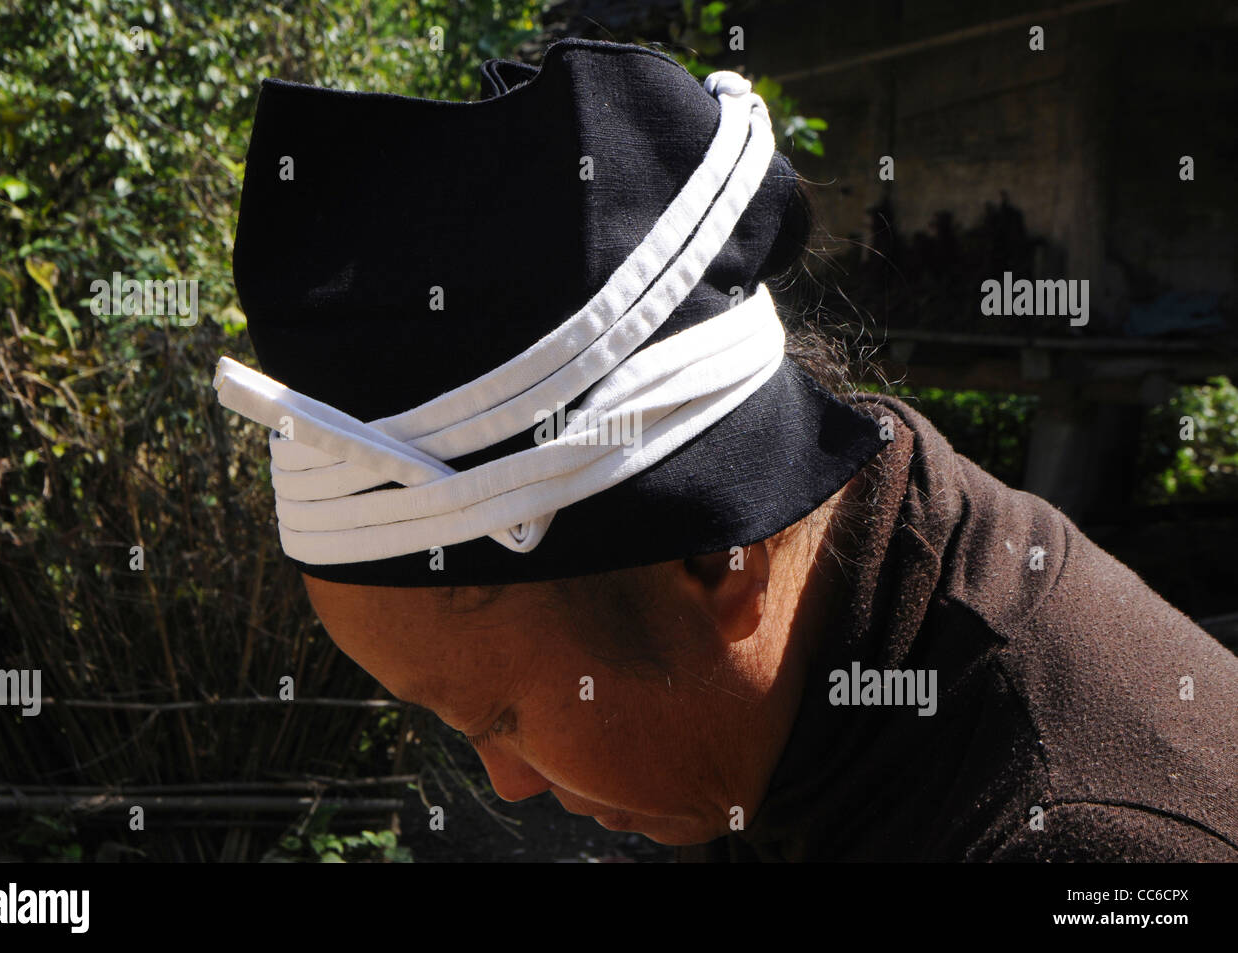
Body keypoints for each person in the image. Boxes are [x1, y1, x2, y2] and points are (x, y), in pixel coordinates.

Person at [216, 38, 1238, 861]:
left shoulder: (1091, 840)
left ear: (718, 557)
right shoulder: (834, 631)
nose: (508, 784)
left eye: (496, 715)